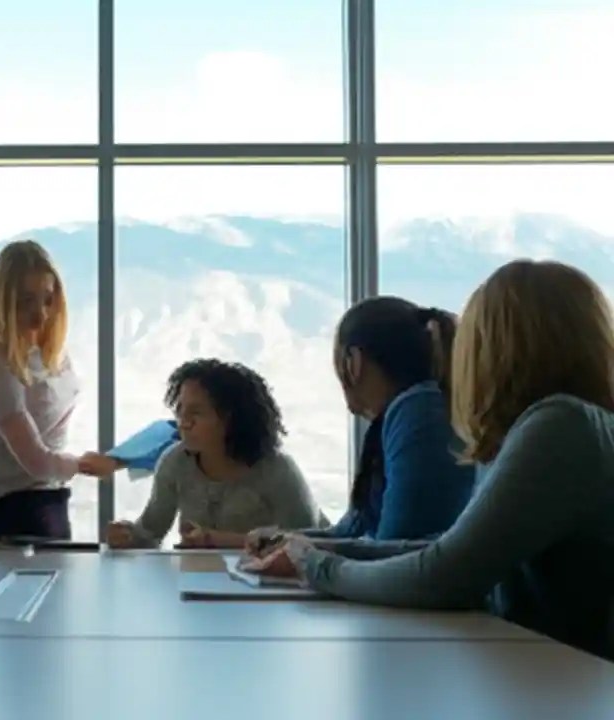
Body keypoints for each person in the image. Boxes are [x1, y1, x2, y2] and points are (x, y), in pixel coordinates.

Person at [246, 260, 614, 660]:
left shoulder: (560, 426)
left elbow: (444, 575)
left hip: (570, 688)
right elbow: (450, 549)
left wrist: (318, 568)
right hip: (544, 675)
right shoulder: (554, 426)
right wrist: (325, 551)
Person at [247, 297, 474, 552]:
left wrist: (302, 553)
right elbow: (352, 531)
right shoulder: (402, 415)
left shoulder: (418, 410)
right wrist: (285, 541)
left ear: (353, 362)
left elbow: (396, 552)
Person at [0, 240, 106, 540]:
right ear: (4, 302)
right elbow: (35, 460)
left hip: (49, 496)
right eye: (26, 301)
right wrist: (81, 464)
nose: (40, 314)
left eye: (47, 299)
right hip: (6, 507)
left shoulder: (49, 352)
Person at [104, 360, 320, 549]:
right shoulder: (175, 462)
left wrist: (218, 540)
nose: (184, 423)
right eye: (180, 411)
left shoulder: (277, 469)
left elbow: (306, 542)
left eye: (196, 413)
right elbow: (150, 533)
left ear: (231, 419)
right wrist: (128, 535)